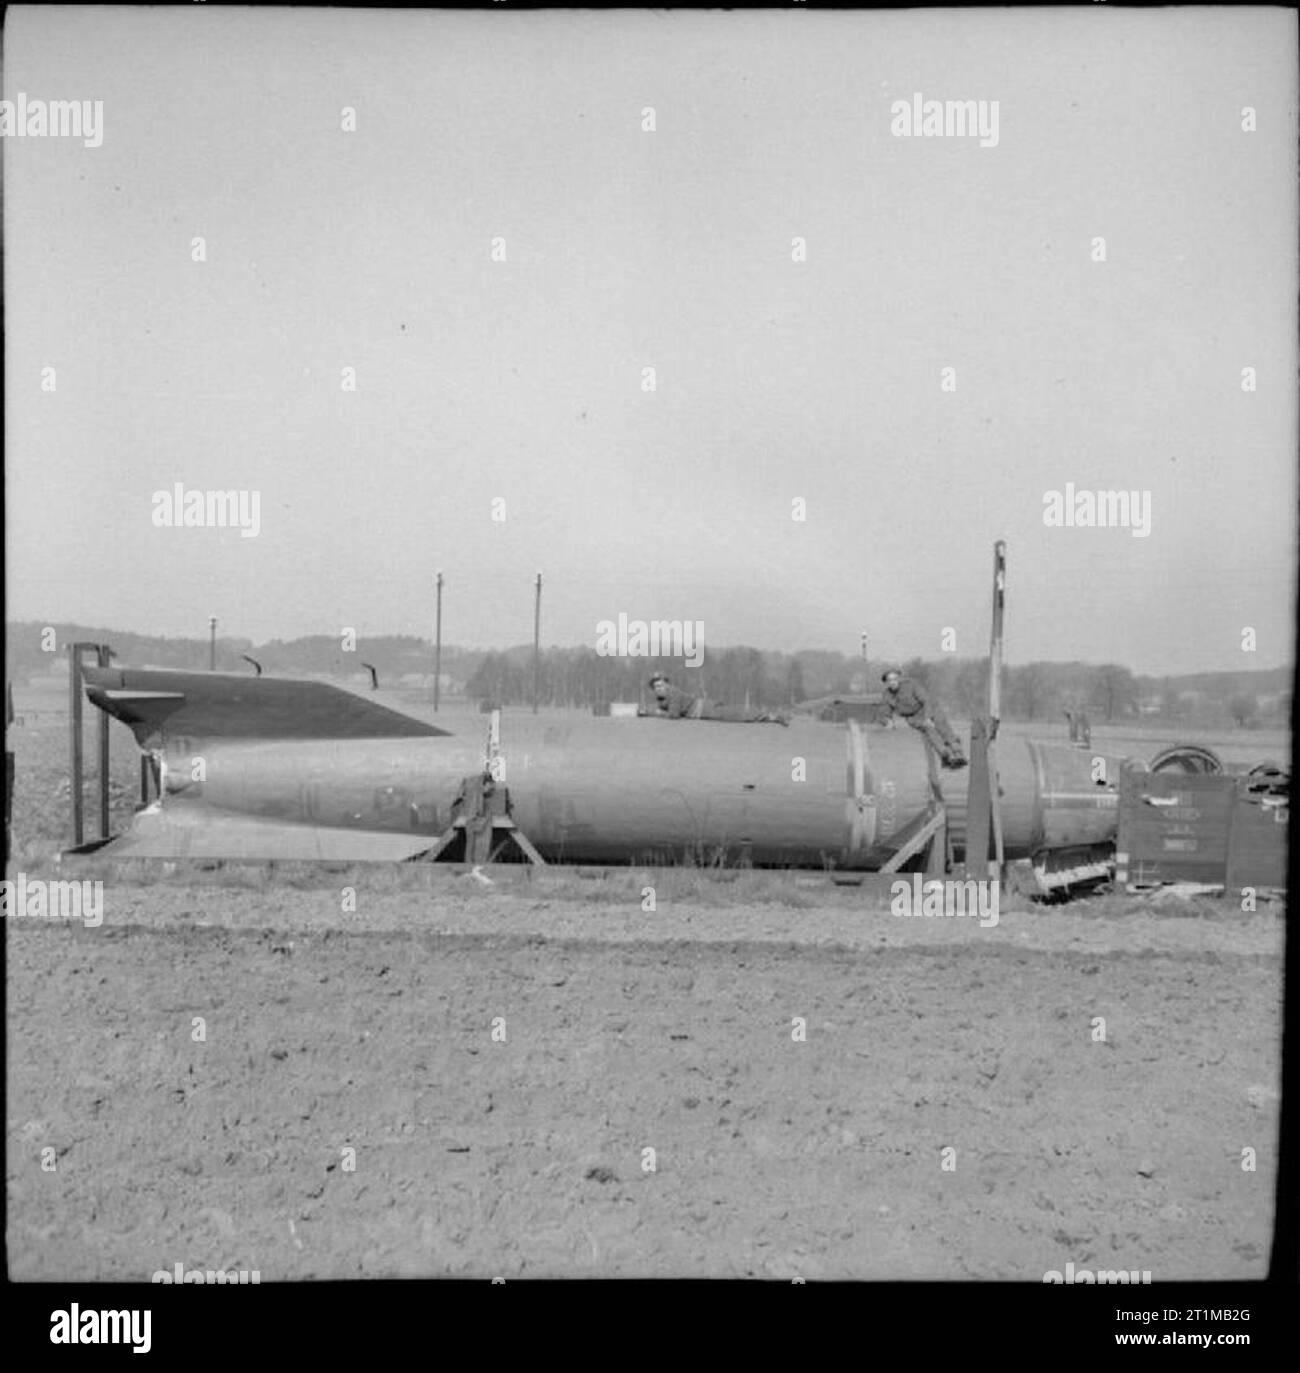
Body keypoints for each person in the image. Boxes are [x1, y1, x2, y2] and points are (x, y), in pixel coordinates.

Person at [880, 668, 967, 767]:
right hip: (913, 717)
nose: (893, 682)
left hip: (929, 708)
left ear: (900, 678)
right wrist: (887, 721)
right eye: (889, 680)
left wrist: (928, 717)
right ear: (886, 682)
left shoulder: (911, 685)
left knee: (942, 727)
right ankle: (946, 755)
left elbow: (926, 700)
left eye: (895, 679)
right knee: (929, 729)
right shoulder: (887, 695)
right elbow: (884, 712)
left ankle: (959, 754)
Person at [641, 673, 789, 725]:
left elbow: (674, 715)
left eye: (661, 685)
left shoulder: (673, 693)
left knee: (737, 716)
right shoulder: (664, 697)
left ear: (667, 684)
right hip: (704, 709)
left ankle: (770, 716)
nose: (659, 688)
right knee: (735, 713)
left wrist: (654, 713)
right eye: (656, 686)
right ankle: (767, 715)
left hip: (705, 709)